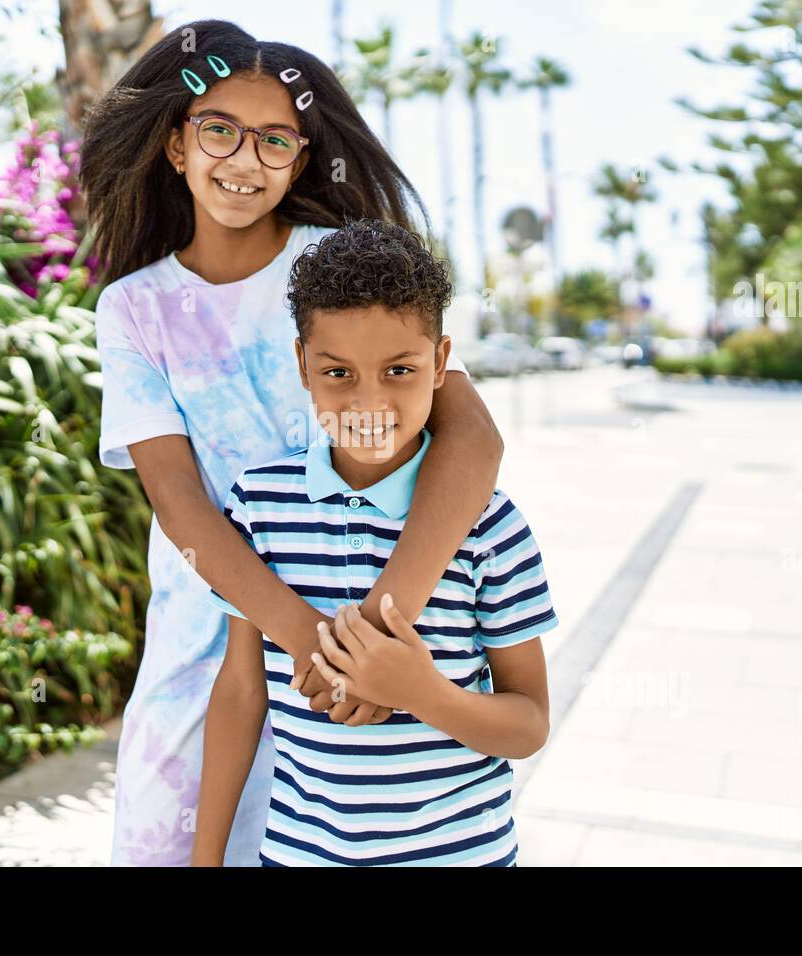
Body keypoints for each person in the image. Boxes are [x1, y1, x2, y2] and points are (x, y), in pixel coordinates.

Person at [83, 19, 504, 866]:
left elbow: (474, 440)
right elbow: (180, 504)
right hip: (207, 654)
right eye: (219, 131)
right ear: (174, 144)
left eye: (276, 139)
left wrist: (375, 636)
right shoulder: (133, 308)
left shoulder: (338, 265)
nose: (245, 160)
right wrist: (313, 641)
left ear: (304, 159)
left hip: (371, 639)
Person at [191, 219, 557, 866]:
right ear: (302, 366)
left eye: (399, 370)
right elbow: (242, 691)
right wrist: (206, 857)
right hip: (301, 855)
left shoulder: (491, 528)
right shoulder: (259, 505)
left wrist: (420, 690)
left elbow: (528, 722)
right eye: (338, 373)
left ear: (441, 364)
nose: (368, 401)